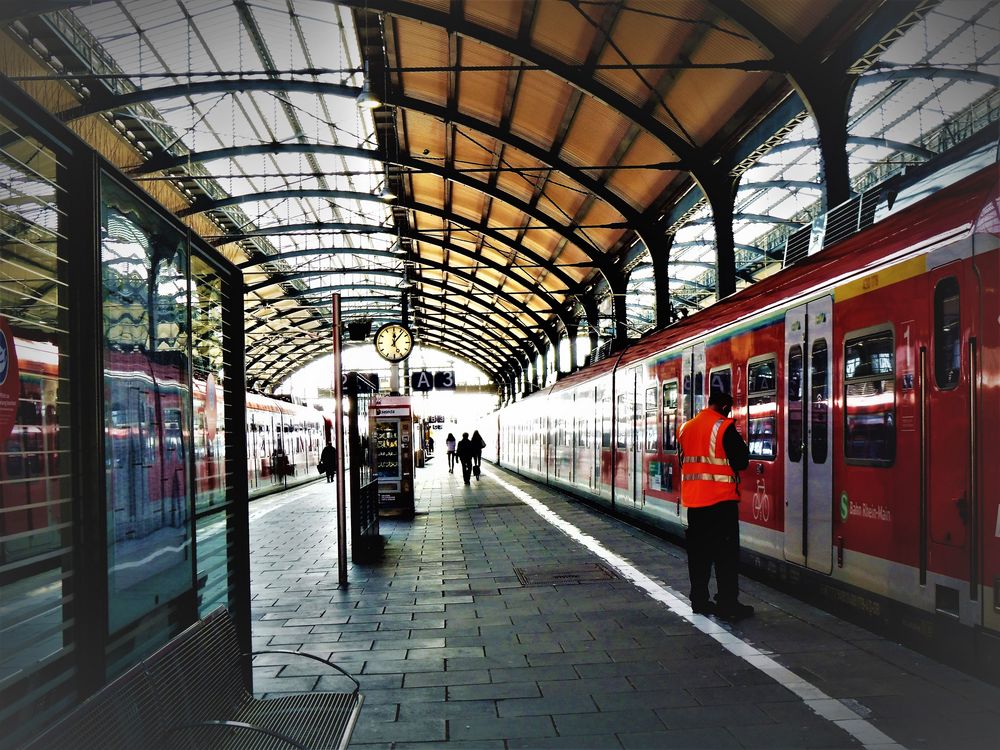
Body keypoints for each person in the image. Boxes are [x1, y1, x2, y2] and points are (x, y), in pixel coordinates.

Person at [678, 391, 753, 620]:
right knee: (725, 556)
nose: (728, 413)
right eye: (728, 409)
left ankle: (699, 600)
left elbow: (683, 462)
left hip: (695, 504)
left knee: (698, 556)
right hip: (721, 503)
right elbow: (741, 460)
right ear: (723, 406)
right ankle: (728, 604)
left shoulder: (686, 428)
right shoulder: (723, 427)